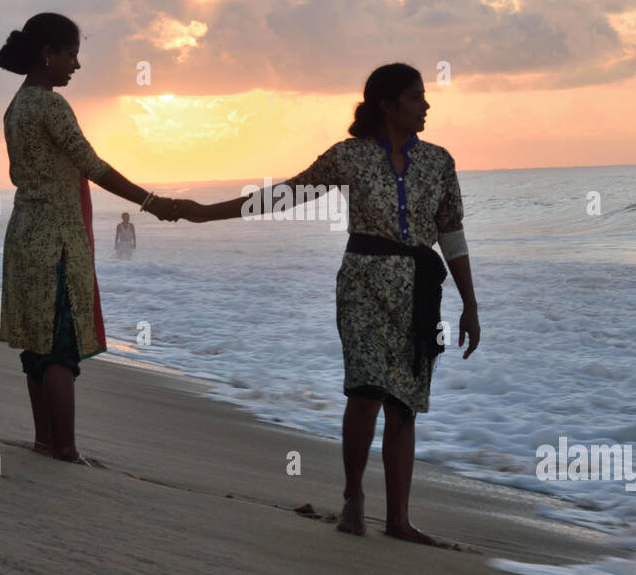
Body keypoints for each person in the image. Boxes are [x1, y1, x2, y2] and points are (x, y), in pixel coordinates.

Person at [185, 63, 480, 545]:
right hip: (363, 282)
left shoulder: (440, 162)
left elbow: (451, 234)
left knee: (404, 404)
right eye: (415, 97)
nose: (426, 106)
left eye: (425, 97)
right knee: (365, 392)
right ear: (387, 104)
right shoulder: (350, 156)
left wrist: (471, 304)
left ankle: (400, 520)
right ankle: (353, 495)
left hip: (419, 290)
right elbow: (284, 195)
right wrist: (205, 214)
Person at [0, 12, 180, 463]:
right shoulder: (49, 104)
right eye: (72, 54)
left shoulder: (16, 107)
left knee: (37, 346)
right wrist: (152, 201)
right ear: (48, 53)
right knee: (61, 349)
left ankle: (45, 440)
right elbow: (93, 166)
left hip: (24, 234)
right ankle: (66, 449)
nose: (76, 65)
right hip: (56, 240)